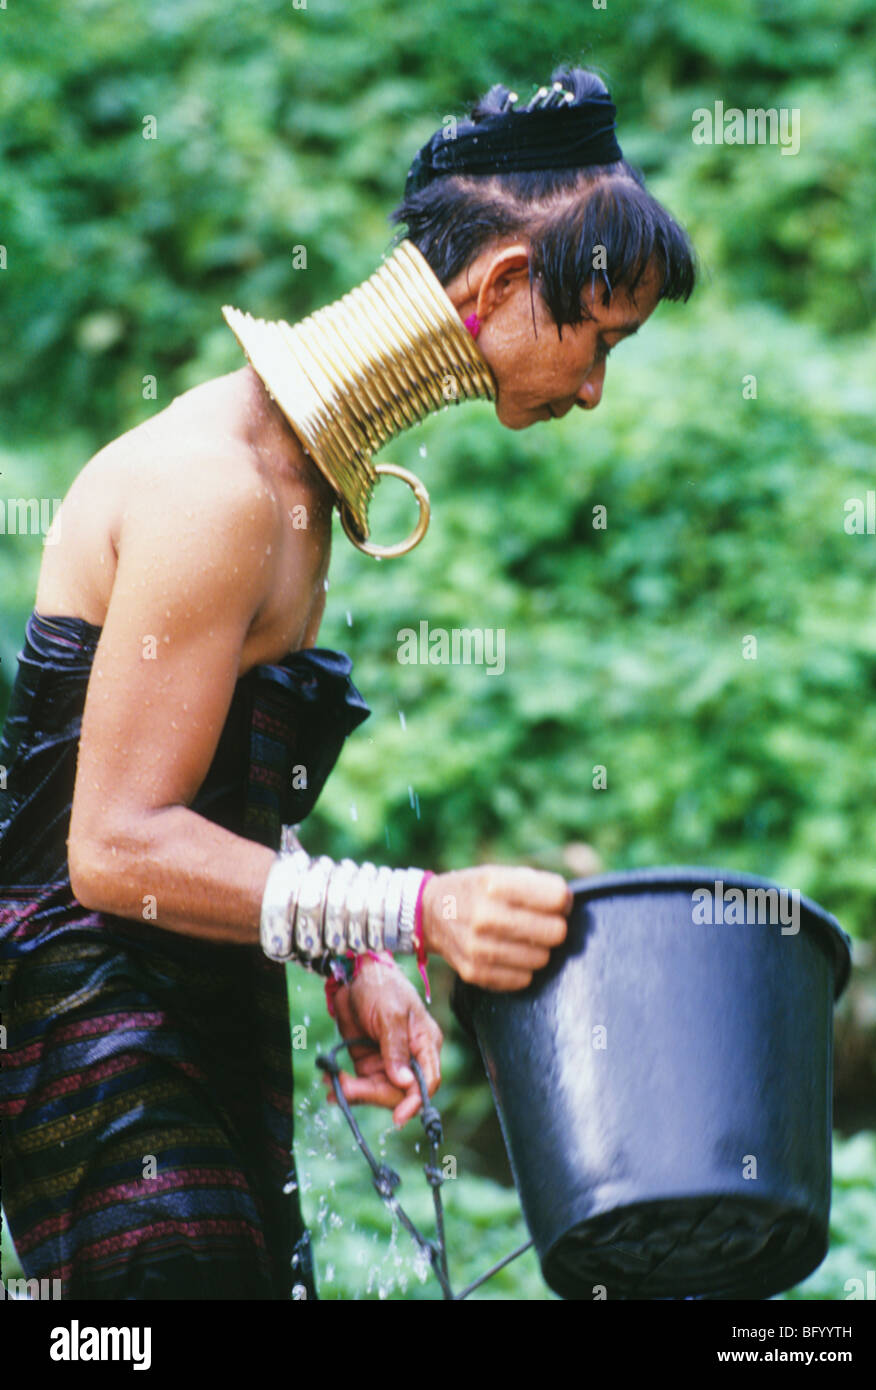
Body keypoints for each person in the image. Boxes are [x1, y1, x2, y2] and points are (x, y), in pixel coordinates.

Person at [0, 64, 696, 1300]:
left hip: (202, 1000)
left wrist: (348, 960)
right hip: (90, 1029)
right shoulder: (214, 489)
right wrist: (411, 913)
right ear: (496, 287)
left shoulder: (305, 485)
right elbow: (109, 849)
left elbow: (211, 790)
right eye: (601, 338)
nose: (594, 388)